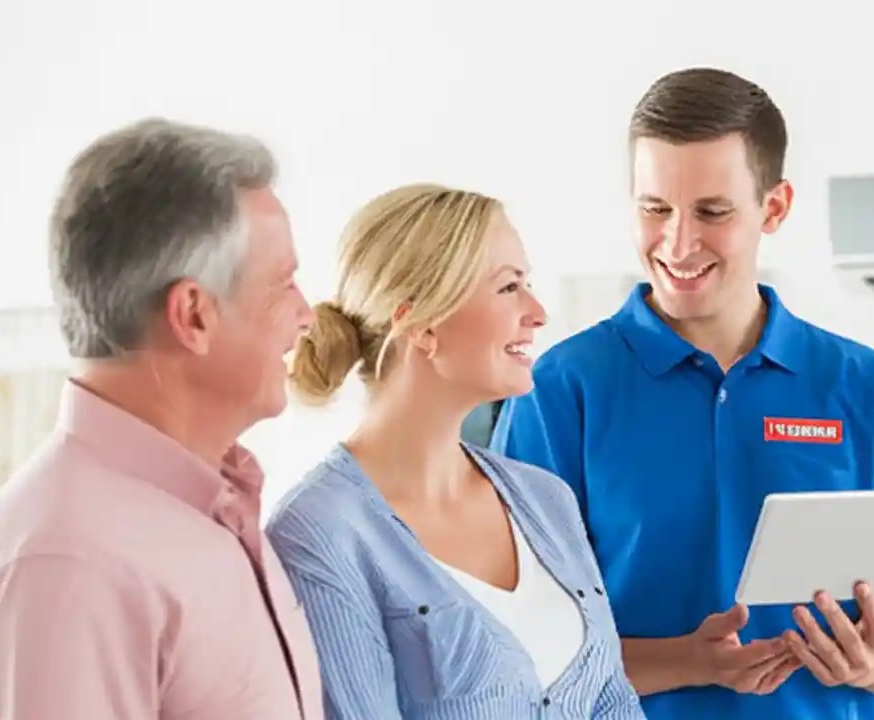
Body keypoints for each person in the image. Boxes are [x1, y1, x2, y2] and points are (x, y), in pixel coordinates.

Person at [490, 67, 874, 719]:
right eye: (654, 208)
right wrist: (691, 663)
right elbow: (514, 643)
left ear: (773, 208)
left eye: (712, 212)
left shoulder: (867, 387)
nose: (678, 243)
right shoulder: (559, 390)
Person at [264, 184, 645, 720]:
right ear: (421, 326)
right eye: (509, 287)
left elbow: (613, 699)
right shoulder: (320, 534)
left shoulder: (546, 500)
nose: (537, 312)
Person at [0, 118, 323, 719]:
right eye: (283, 284)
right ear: (193, 313)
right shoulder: (66, 563)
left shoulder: (217, 511)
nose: (306, 316)